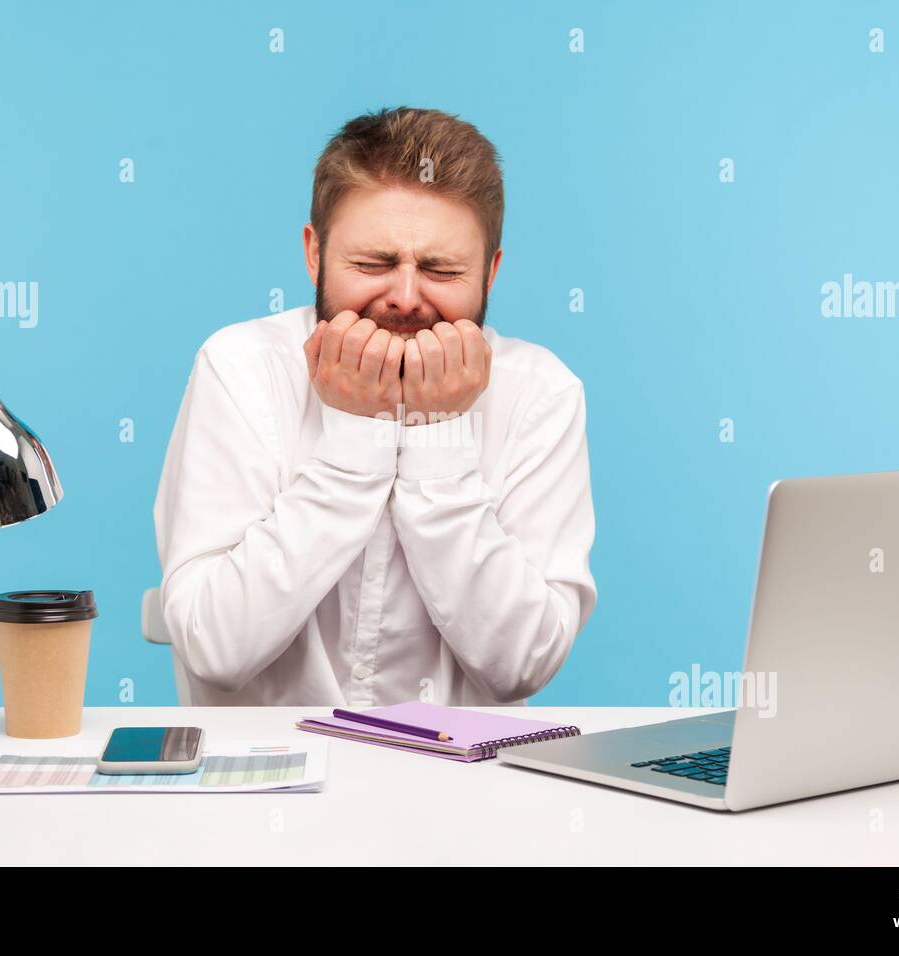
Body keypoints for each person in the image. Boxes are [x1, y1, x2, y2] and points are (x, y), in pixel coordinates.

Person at [153, 106, 596, 706]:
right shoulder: (238, 368)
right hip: (268, 783)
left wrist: (438, 433)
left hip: (462, 791)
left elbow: (520, 663)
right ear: (314, 254)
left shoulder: (542, 393)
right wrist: (356, 434)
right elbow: (215, 649)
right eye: (372, 264)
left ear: (490, 273)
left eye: (442, 269)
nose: (406, 297)